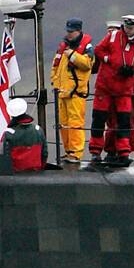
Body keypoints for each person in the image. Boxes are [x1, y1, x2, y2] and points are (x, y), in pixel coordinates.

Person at [87, 14, 134, 167]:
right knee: (99, 119)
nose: (128, 30)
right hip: (105, 86)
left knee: (124, 122)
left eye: (131, 28)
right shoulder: (114, 36)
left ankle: (123, 152)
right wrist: (110, 60)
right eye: (126, 27)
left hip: (124, 88)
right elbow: (99, 50)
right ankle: (95, 152)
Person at [51, 19, 95, 165]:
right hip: (62, 92)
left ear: (78, 31)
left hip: (76, 92)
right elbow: (55, 67)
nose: (69, 34)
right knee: (63, 124)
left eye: (71, 32)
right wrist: (55, 83)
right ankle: (68, 151)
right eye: (68, 31)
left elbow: (87, 64)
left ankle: (76, 153)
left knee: (75, 123)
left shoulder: (86, 47)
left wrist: (71, 55)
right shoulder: (63, 47)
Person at [0, 98, 48, 172]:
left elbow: (4, 157)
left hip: (15, 174)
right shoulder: (38, 130)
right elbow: (44, 153)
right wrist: (41, 168)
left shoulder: (8, 134)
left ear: (11, 114)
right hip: (36, 172)